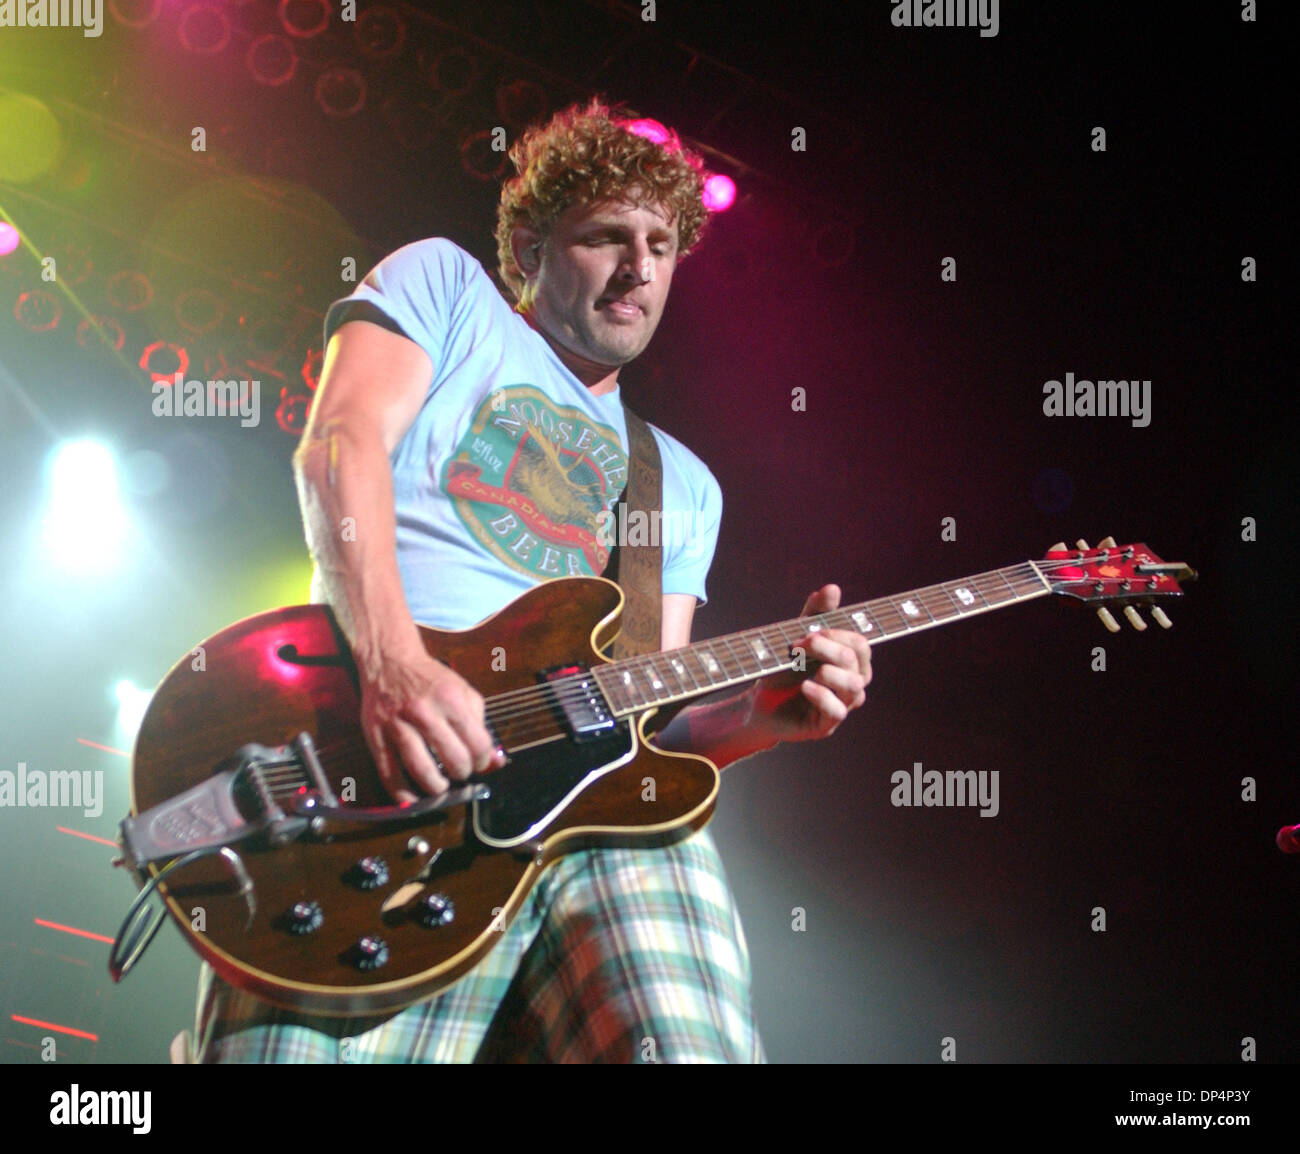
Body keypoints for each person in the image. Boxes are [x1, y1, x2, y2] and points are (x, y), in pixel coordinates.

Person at [186, 98, 872, 1063]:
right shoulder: (448, 290)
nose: (639, 269)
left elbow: (647, 734)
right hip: (378, 771)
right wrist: (392, 665)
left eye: (662, 245)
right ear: (529, 243)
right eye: (605, 237)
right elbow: (339, 446)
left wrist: (763, 717)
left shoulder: (680, 483)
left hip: (598, 836)